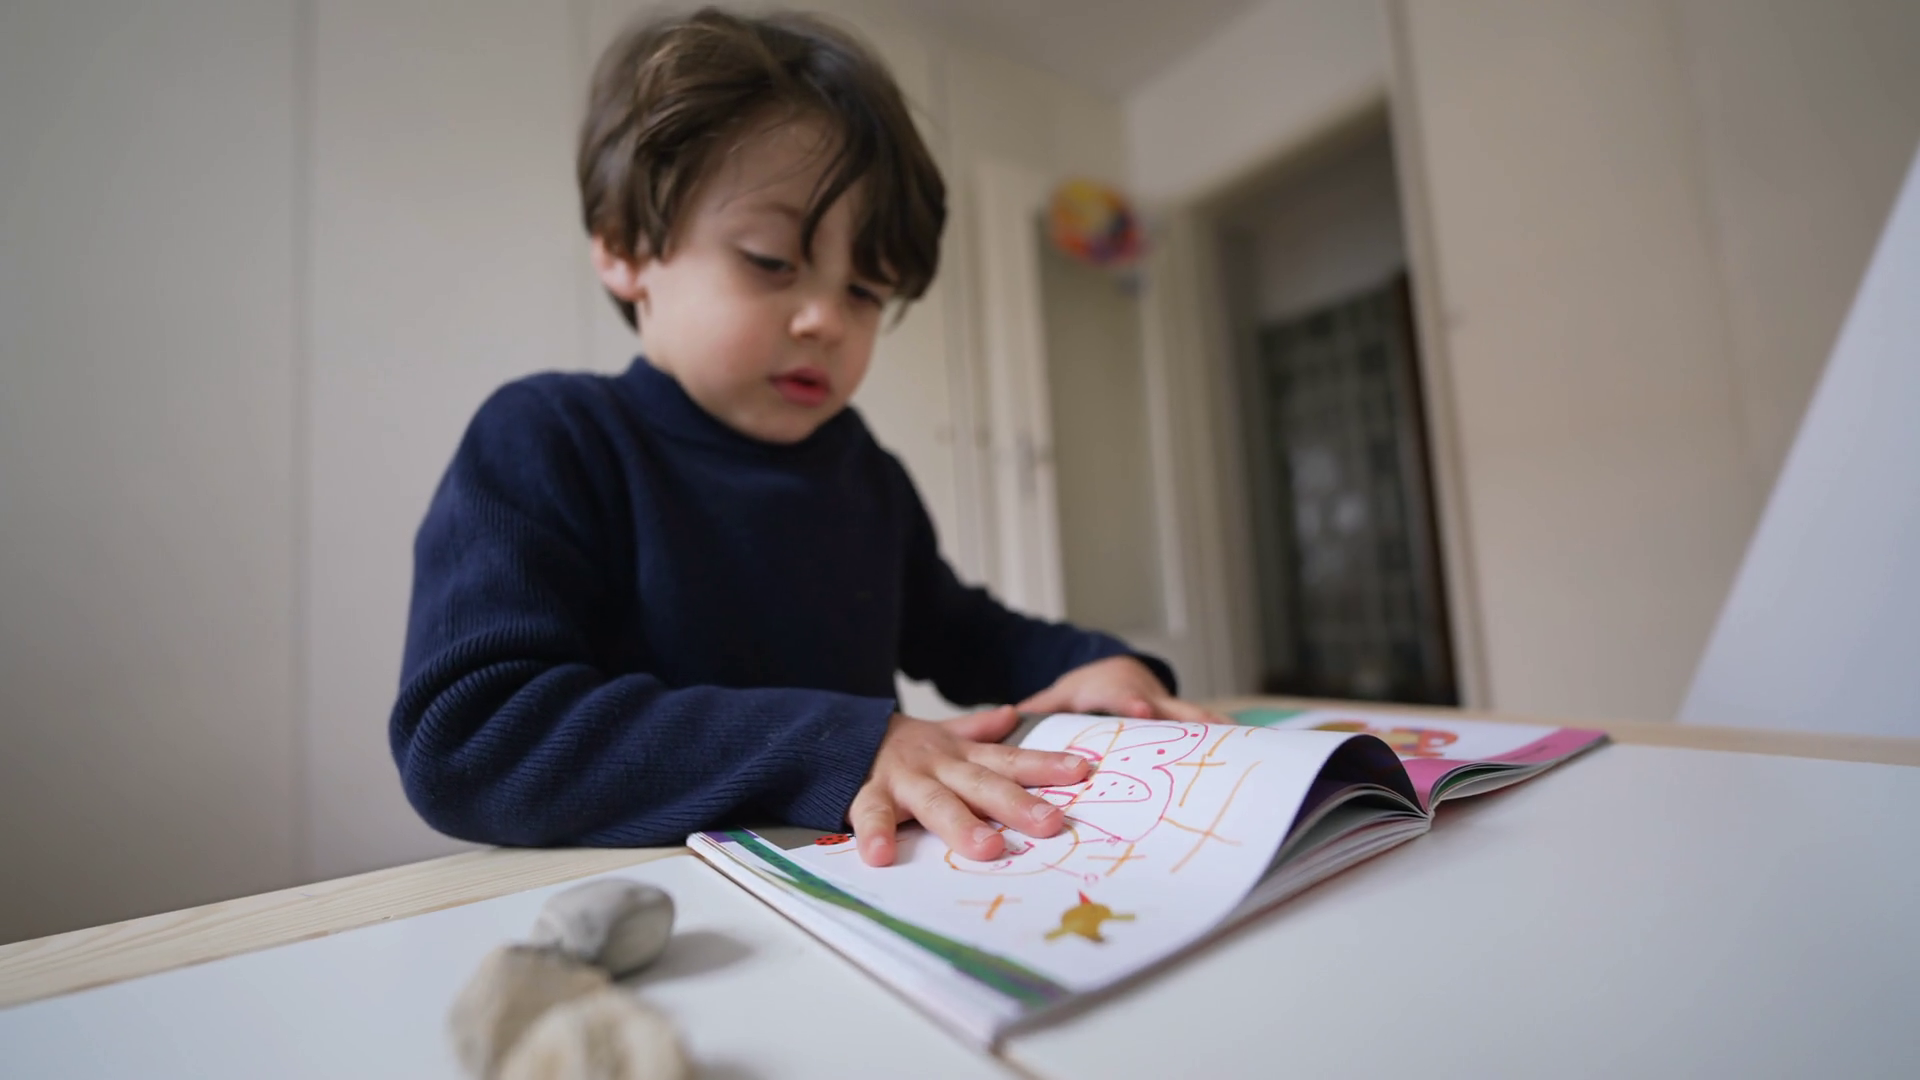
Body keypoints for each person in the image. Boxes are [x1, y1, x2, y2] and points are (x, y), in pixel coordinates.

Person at [390, 7, 1224, 868]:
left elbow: (967, 634)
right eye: (771, 260)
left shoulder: (864, 475)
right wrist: (846, 743)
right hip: (644, 906)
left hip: (862, 886)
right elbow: (469, 739)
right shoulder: (547, 437)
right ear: (626, 247)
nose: (827, 318)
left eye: (865, 290)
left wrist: (1105, 666)